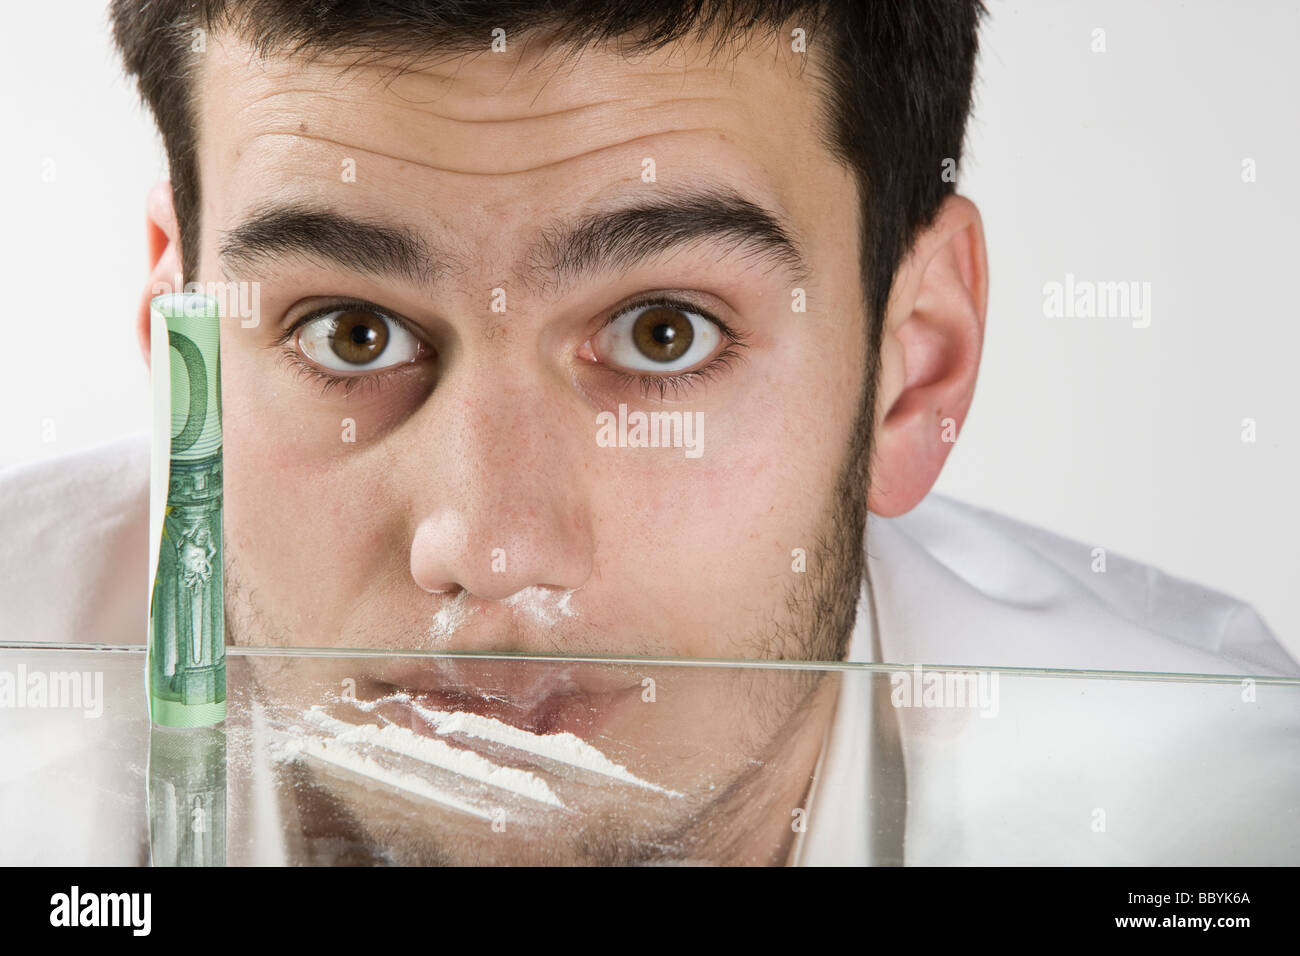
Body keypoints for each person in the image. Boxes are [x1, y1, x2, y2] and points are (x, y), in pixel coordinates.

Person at [0, 0, 1295, 865]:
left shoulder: (1216, 820)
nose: (492, 552)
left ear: (912, 370)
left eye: (663, 333)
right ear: (179, 339)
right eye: (350, 332)